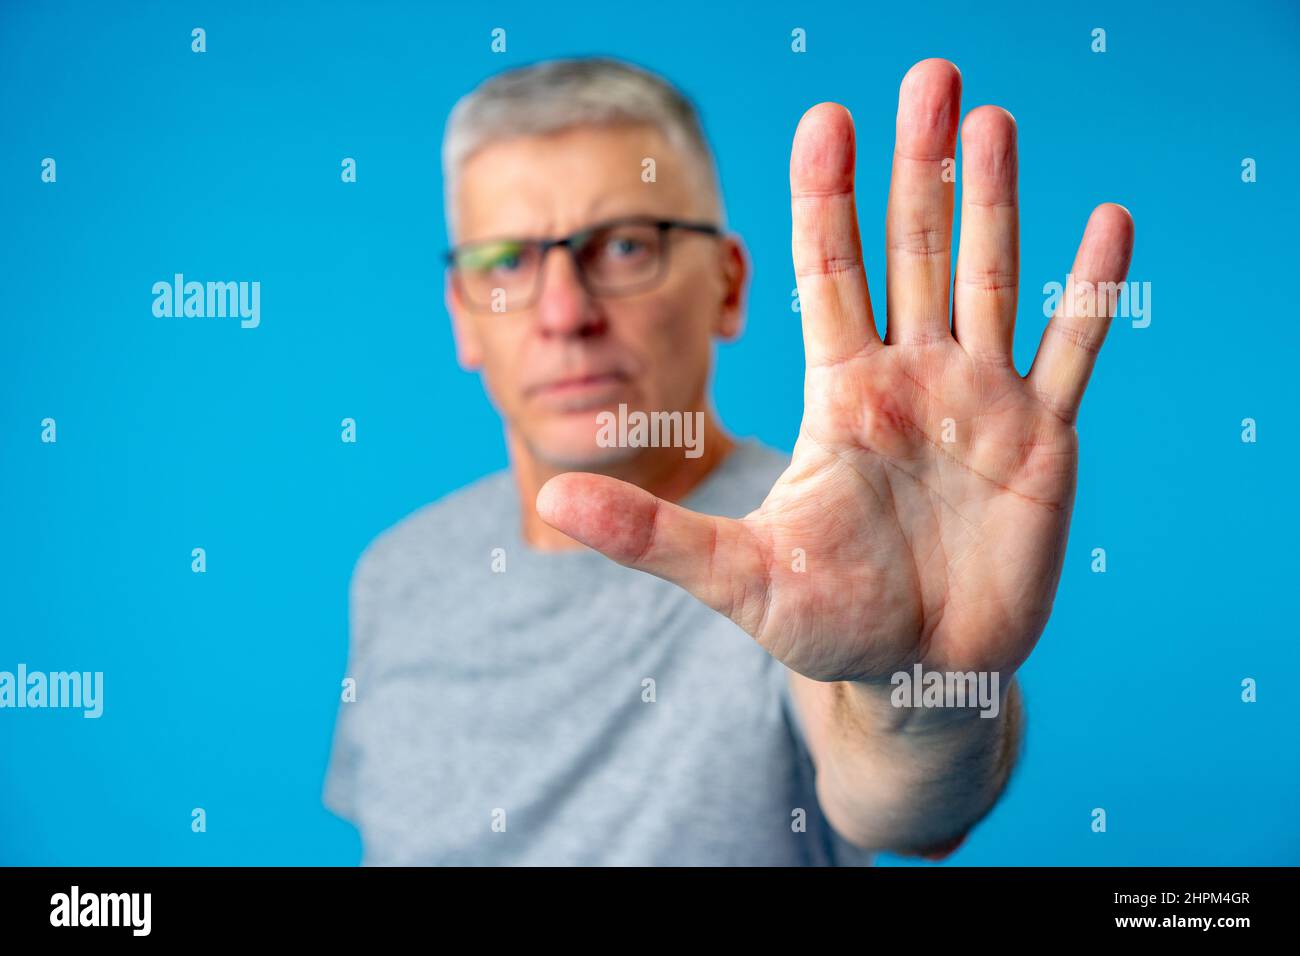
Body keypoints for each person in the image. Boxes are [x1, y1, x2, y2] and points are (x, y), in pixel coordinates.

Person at [323, 56, 1135, 865]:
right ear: (464, 317)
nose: (566, 313)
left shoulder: (825, 549)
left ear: (728, 285)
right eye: (506, 263)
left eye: (626, 247)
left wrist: (917, 692)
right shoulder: (395, 573)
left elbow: (906, 808)